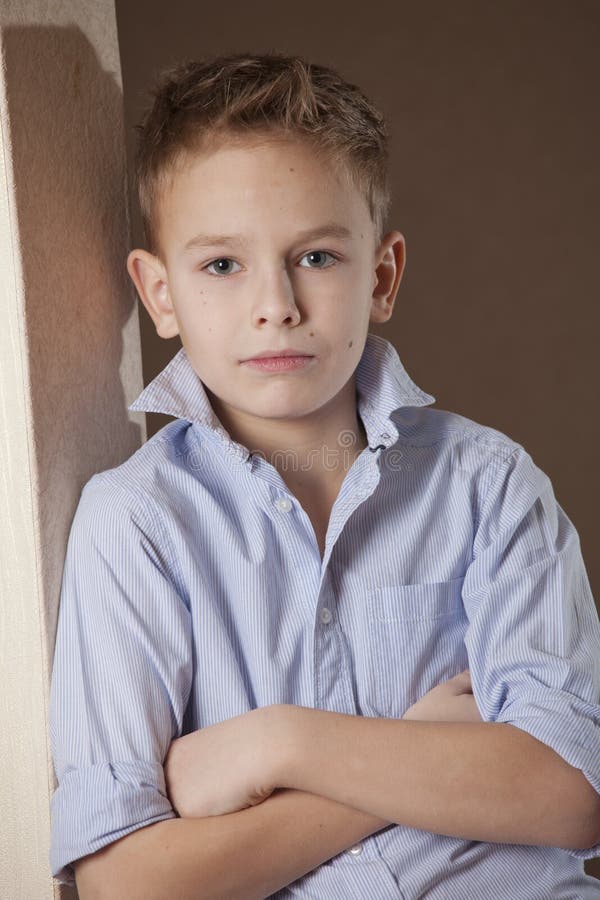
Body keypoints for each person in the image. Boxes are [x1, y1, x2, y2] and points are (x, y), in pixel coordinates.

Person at [48, 52, 600, 898]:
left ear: (381, 276)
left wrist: (280, 744)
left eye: (315, 257)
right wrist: (422, 754)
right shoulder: (136, 523)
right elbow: (128, 885)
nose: (276, 305)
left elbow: (571, 793)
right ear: (159, 295)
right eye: (222, 265)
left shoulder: (488, 484)